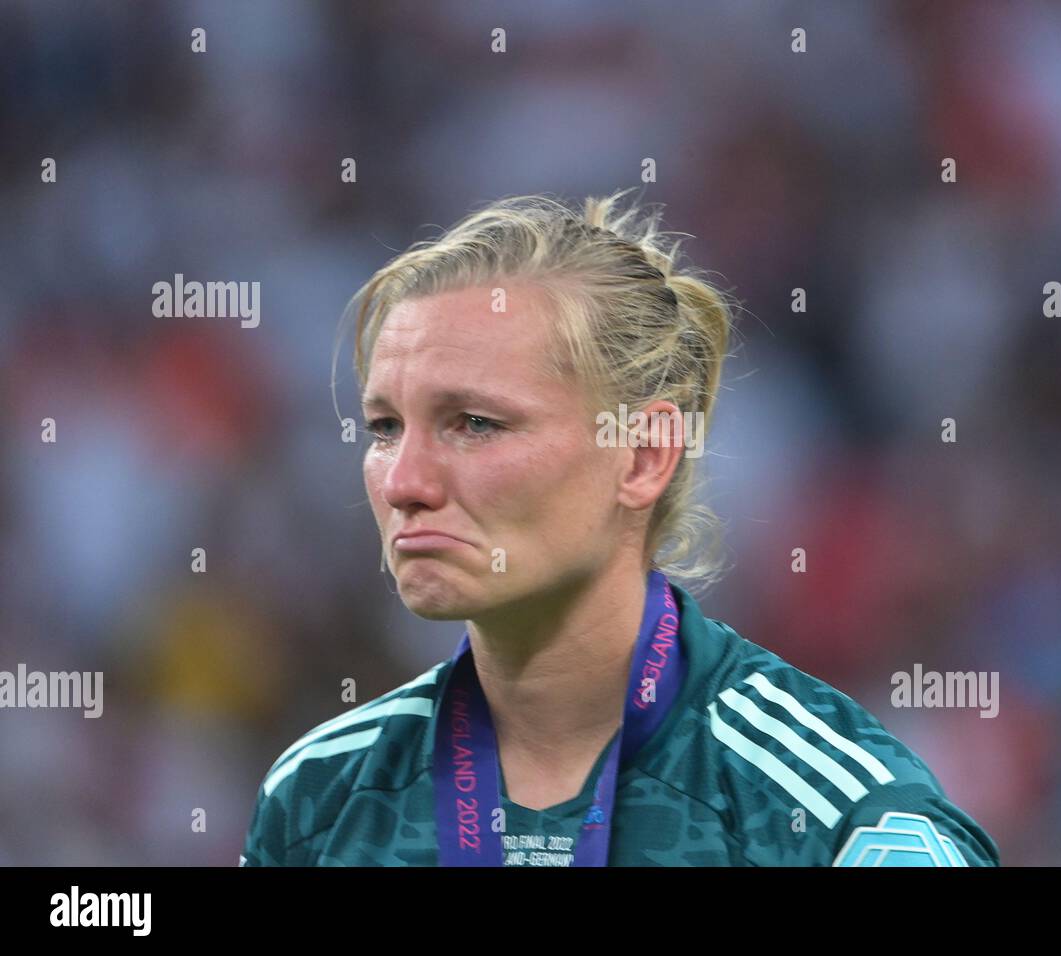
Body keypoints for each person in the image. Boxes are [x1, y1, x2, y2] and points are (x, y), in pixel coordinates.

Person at [240, 190, 1000, 866]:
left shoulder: (836, 821)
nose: (404, 482)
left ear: (642, 455)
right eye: (383, 427)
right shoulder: (319, 802)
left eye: (474, 423)